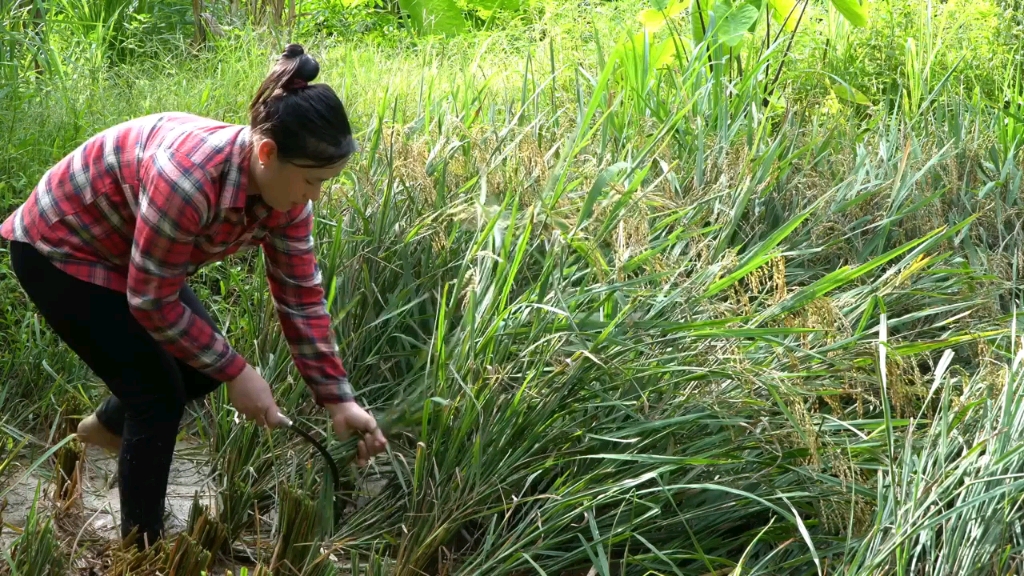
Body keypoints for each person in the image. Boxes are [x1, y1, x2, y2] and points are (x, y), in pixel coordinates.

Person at [0, 43, 388, 548]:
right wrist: (239, 372)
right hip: (62, 247)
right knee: (157, 396)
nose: (314, 197)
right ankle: (142, 550)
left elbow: (301, 298)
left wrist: (338, 400)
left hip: (134, 255)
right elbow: (152, 301)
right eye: (312, 181)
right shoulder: (189, 179)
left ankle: (105, 429)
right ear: (267, 153)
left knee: (199, 365)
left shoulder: (285, 196)